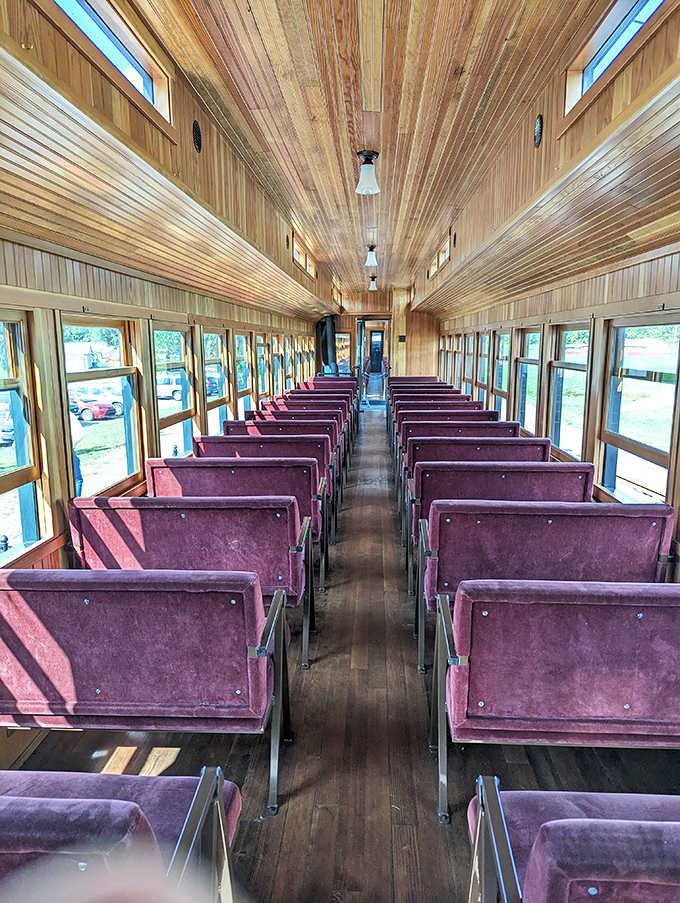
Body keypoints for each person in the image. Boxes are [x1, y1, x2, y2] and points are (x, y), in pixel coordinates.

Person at [70, 411, 84, 496]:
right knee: (77, 480)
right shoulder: (68, 415)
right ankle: (75, 506)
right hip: (69, 452)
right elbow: (78, 435)